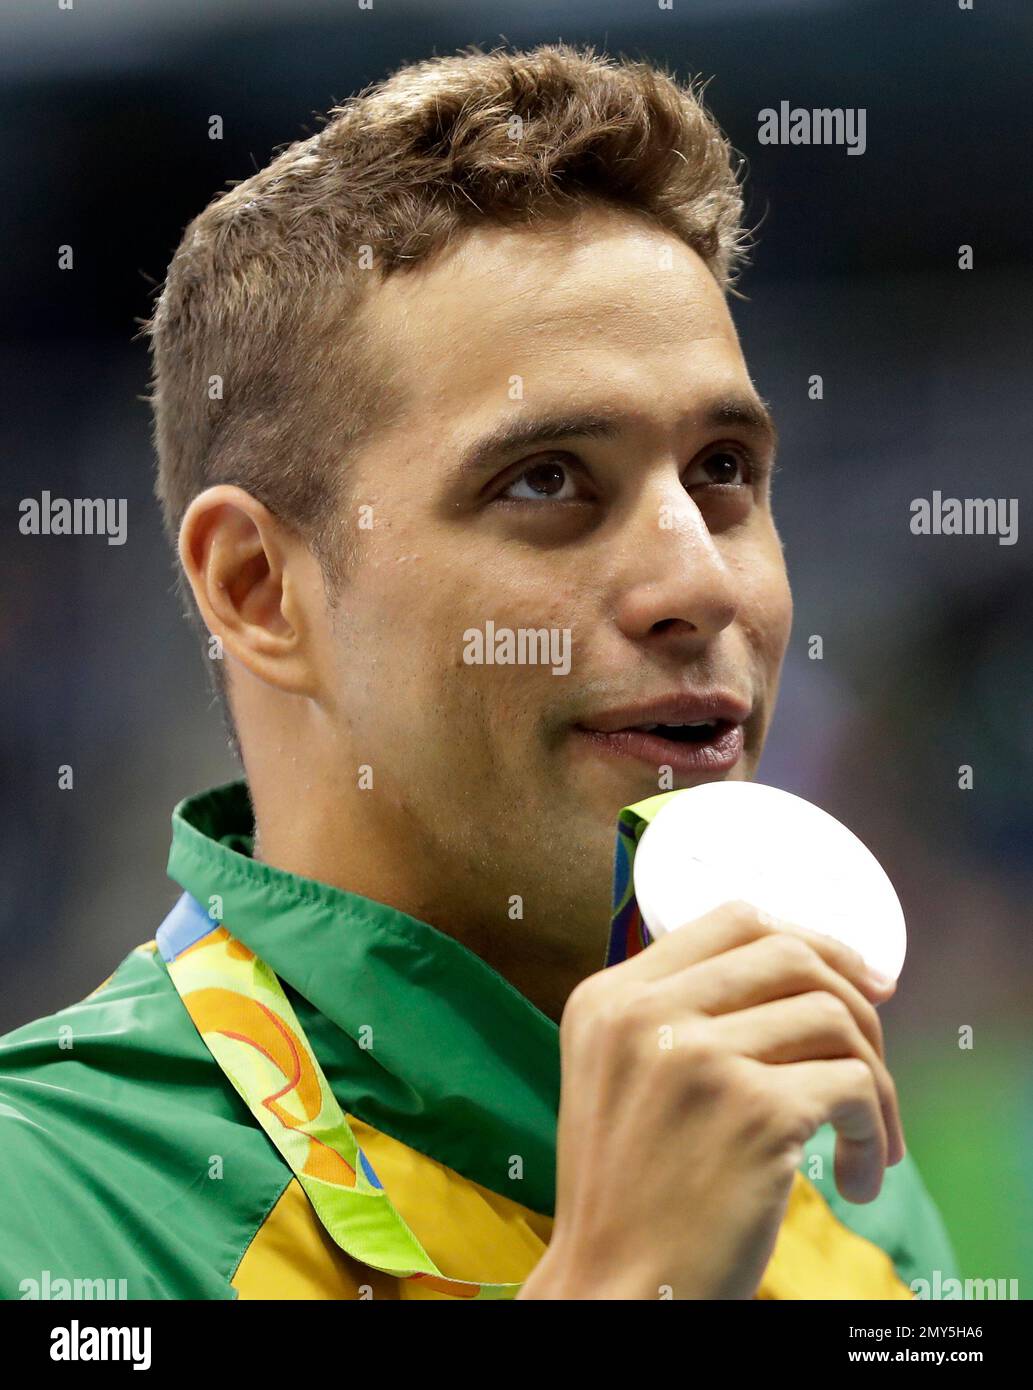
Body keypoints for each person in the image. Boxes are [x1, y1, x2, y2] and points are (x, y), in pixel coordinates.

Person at [0, 42, 957, 1300]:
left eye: (721, 471)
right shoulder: (47, 1208)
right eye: (546, 479)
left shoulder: (839, 1183)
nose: (703, 585)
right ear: (254, 589)